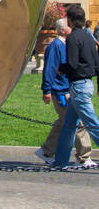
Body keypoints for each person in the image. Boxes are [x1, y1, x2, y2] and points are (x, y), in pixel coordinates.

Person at [36, 16, 95, 166]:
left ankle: (49, 152)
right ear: (63, 30)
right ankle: (83, 157)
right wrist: (47, 90)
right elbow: (49, 69)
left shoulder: (68, 43)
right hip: (60, 91)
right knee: (80, 123)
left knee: (66, 123)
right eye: (68, 26)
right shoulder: (55, 46)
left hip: (68, 88)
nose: (71, 28)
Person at [53, 5, 99, 168]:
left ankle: (60, 161)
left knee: (92, 124)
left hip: (78, 86)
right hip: (87, 84)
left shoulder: (73, 38)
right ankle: (60, 162)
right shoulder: (89, 36)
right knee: (69, 126)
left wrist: (61, 69)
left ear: (70, 20)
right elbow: (96, 63)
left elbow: (72, 63)